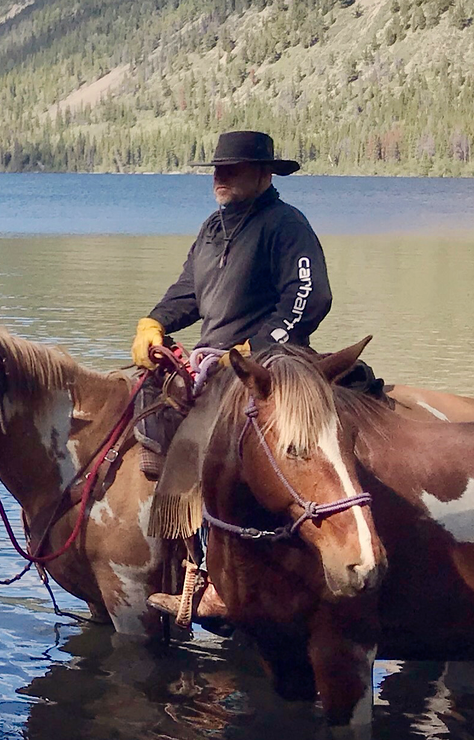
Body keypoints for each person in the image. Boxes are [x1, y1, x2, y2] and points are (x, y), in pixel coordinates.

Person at [132, 130, 331, 626]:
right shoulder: (213, 228)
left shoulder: (288, 225)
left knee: (225, 449)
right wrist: (153, 322)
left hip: (268, 367)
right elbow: (188, 292)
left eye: (233, 168)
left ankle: (224, 579)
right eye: (217, 169)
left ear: (264, 174)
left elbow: (309, 300)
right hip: (211, 362)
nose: (220, 177)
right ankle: (170, 560)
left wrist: (250, 352)